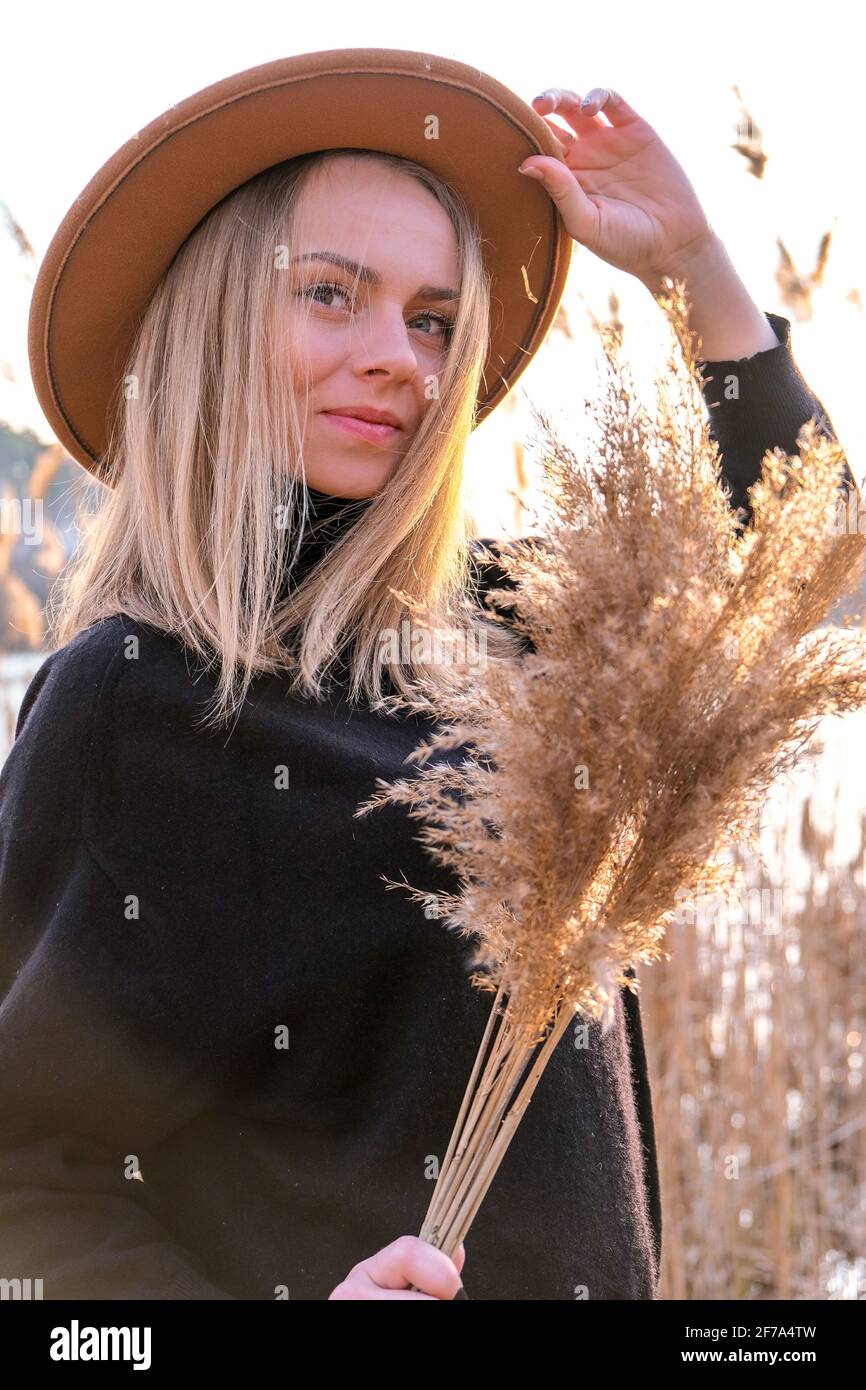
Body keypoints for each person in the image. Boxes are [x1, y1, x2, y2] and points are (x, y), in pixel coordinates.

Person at [1, 51, 854, 1301]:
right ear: (212, 322)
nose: (397, 355)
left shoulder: (515, 628)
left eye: (432, 318)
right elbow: (26, 1191)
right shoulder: (133, 696)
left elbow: (804, 560)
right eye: (331, 294)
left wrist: (693, 269)